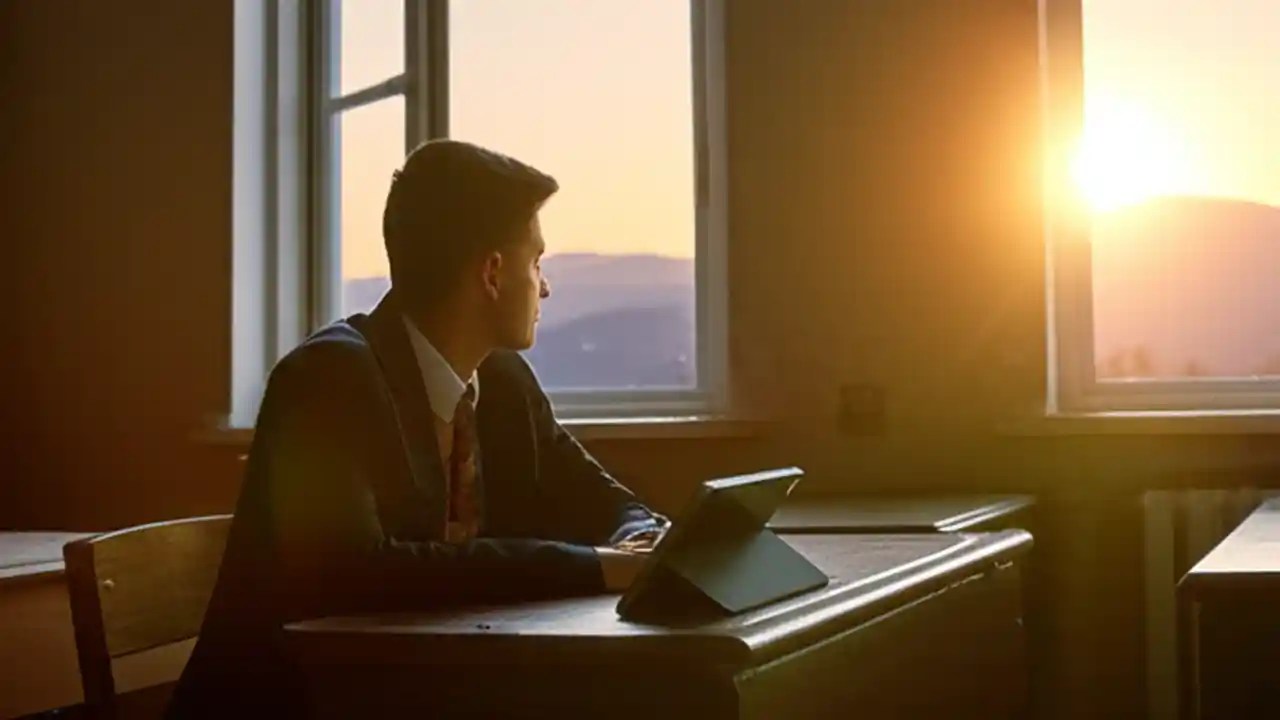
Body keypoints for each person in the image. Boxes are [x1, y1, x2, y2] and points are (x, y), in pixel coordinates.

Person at [167, 139, 667, 718]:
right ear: (493, 273)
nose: (546, 286)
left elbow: (594, 494)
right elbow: (357, 572)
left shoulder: (502, 381)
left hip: (418, 694)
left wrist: (645, 536)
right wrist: (598, 566)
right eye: (537, 262)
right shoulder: (326, 380)